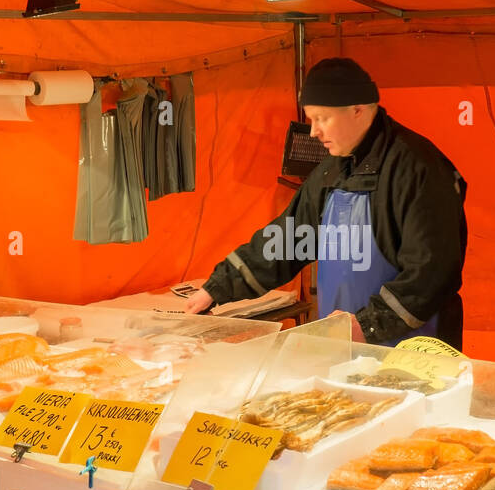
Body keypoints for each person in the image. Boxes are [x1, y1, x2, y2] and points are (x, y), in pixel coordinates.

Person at [184, 57, 468, 349]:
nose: (313, 132)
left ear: (357, 110)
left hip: (415, 351)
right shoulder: (332, 170)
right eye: (311, 119)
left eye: (322, 118)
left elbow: (432, 273)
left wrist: (367, 324)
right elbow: (289, 240)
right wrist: (216, 288)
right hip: (347, 346)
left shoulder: (417, 168)